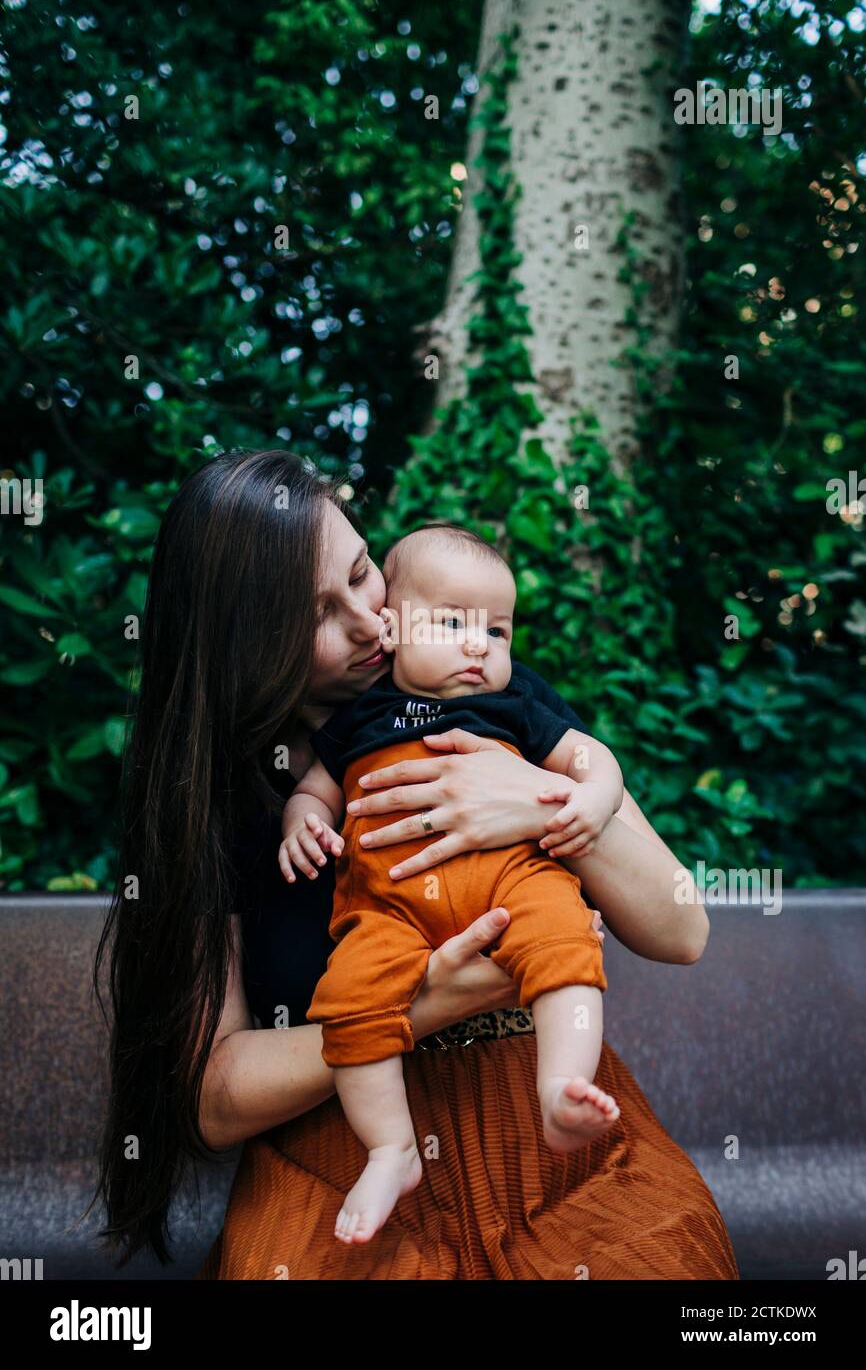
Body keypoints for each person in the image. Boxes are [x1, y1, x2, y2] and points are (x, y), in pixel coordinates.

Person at [90, 448, 739, 1279]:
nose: (369, 621)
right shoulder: (216, 804)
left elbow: (682, 927)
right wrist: (426, 1003)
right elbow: (213, 1102)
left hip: (551, 1152)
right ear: (247, 648)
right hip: (348, 1169)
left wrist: (533, 796)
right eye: (316, 615)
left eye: (362, 573)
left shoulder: (489, 695)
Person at [280, 522, 623, 1243]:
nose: (479, 646)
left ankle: (560, 1085)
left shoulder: (514, 705)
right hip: (387, 907)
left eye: (497, 632)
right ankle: (390, 1147)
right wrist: (302, 821)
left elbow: (591, 758)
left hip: (512, 882)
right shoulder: (355, 717)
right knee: (350, 998)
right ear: (394, 631)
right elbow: (315, 790)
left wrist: (591, 799)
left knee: (565, 939)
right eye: (454, 624)